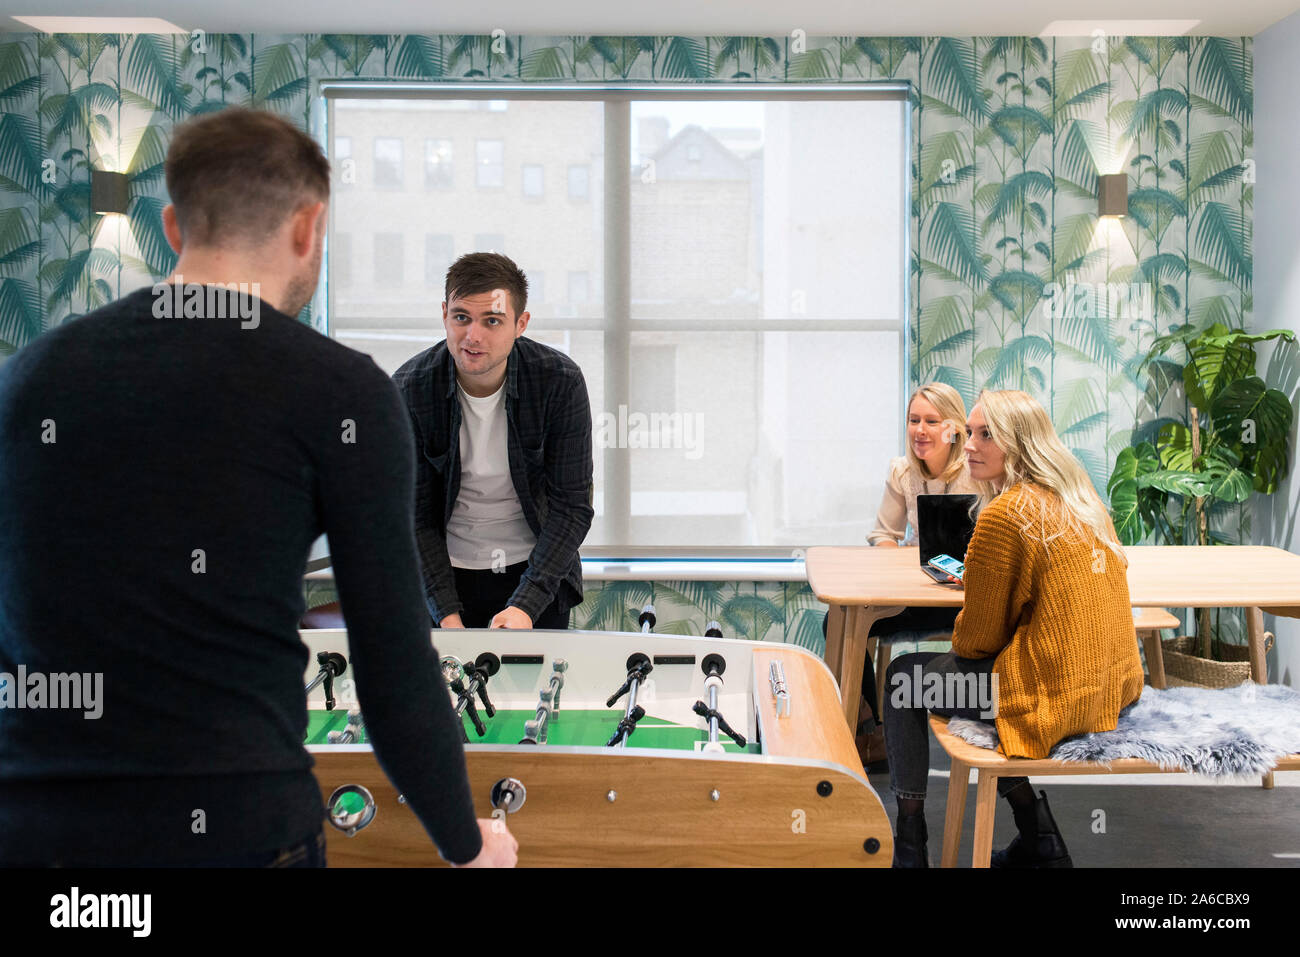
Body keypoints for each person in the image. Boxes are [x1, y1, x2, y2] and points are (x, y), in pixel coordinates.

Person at [0, 107, 515, 867]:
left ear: (174, 227)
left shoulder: (28, 377)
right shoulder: (343, 393)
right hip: (239, 831)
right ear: (308, 227)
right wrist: (468, 846)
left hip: (40, 835)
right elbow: (393, 662)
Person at [883, 389, 1144, 867]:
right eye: (971, 434)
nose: (969, 446)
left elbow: (975, 640)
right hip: (1110, 684)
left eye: (986, 435)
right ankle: (1037, 834)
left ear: (1019, 443)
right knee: (976, 681)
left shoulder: (1005, 514)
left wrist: (976, 597)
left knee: (904, 678)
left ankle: (911, 845)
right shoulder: (1083, 500)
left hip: (1050, 694)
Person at [394, 252, 594, 631]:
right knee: (442, 689)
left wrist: (526, 604)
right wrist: (445, 615)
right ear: (444, 315)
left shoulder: (559, 382)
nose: (473, 335)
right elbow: (414, 517)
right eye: (461, 318)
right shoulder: (408, 390)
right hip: (443, 574)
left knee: (535, 690)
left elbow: (572, 508)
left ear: (520, 323)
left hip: (536, 571)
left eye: (492, 321)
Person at [830, 383, 979, 767]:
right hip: (926, 592)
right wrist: (895, 563)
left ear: (954, 430)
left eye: (932, 421)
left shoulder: (977, 473)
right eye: (914, 420)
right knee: (838, 619)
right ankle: (869, 730)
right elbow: (883, 534)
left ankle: (875, 734)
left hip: (970, 599)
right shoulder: (903, 471)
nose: (920, 430)